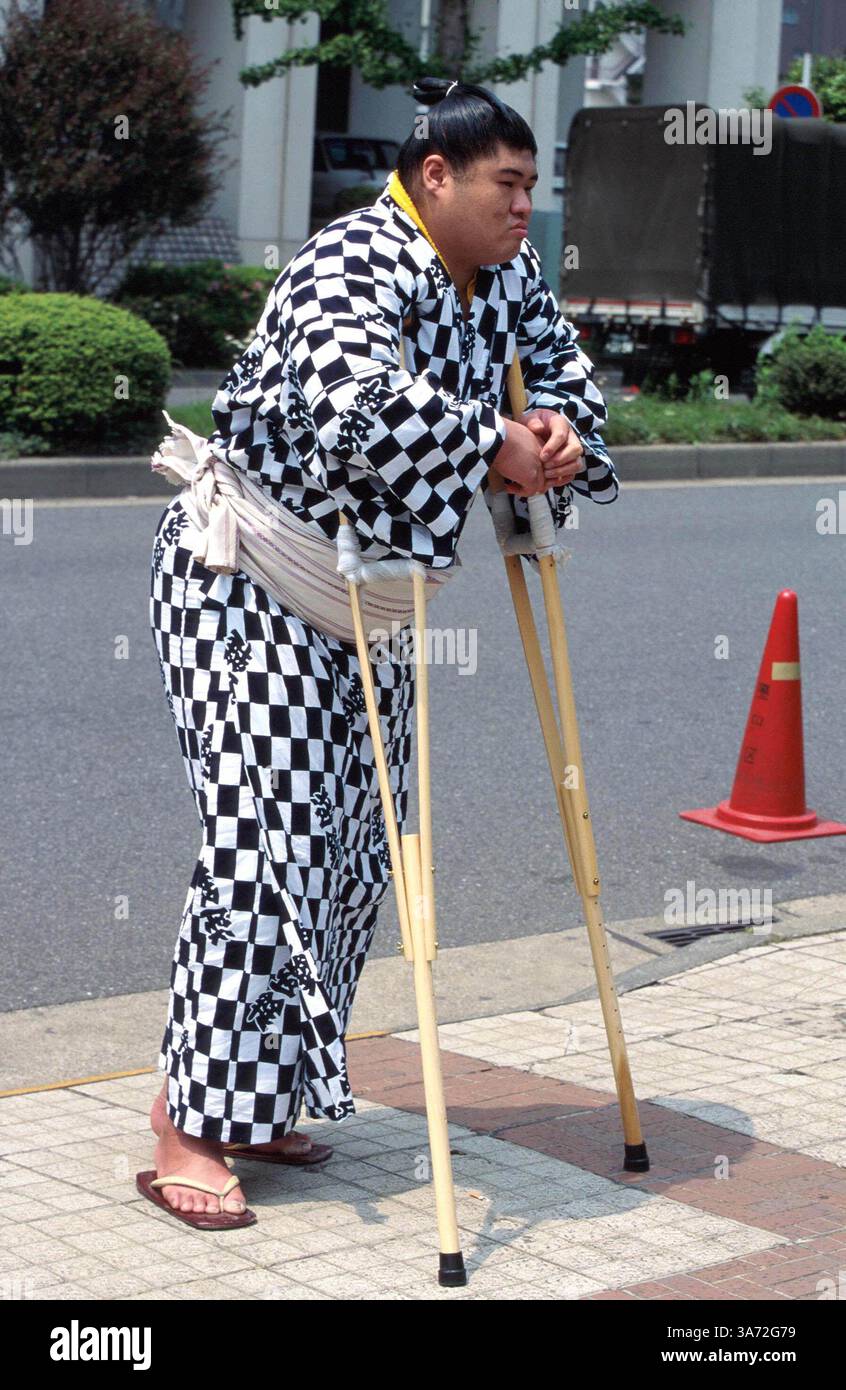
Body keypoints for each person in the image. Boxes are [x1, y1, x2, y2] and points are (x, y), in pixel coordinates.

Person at [143, 74, 618, 1227]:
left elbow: (569, 384)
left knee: (361, 855)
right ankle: (181, 1126)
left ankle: (261, 1101)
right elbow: (353, 401)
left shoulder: (508, 282)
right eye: (507, 185)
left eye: (532, 188)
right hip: (249, 579)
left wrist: (553, 432)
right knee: (270, 842)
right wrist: (488, 437)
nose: (523, 209)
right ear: (437, 174)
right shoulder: (350, 260)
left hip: (372, 601)